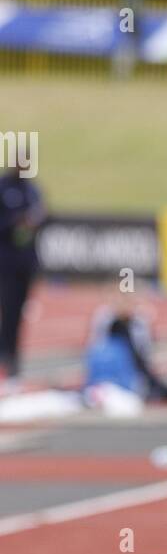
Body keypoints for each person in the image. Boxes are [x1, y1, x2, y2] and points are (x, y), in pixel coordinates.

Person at [0, 150, 46, 382]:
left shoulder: (32, 189)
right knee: (7, 310)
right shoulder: (3, 187)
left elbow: (44, 217)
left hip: (26, 263)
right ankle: (6, 353)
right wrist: (14, 222)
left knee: (18, 312)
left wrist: (35, 221)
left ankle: (12, 354)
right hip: (5, 262)